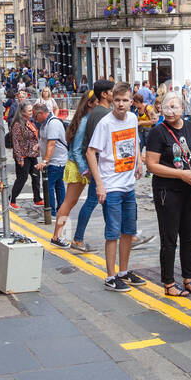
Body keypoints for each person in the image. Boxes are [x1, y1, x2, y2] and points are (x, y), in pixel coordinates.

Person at [87, 83, 147, 292]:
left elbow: (135, 140)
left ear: (132, 102)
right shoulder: (105, 123)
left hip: (128, 184)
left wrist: (138, 160)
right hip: (111, 186)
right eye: (117, 100)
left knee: (128, 231)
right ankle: (110, 276)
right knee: (112, 232)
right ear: (112, 101)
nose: (121, 104)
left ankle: (124, 271)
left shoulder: (132, 118)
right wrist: (100, 184)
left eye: (125, 100)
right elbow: (90, 152)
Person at [145, 92, 191, 297]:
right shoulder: (157, 132)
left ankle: (188, 279)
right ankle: (169, 282)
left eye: (175, 107)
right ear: (160, 108)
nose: (170, 111)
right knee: (169, 237)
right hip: (167, 191)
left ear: (183, 109)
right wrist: (180, 174)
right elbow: (152, 165)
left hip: (190, 189)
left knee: (189, 236)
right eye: (166, 107)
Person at [68, 80, 116, 253]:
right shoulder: (102, 114)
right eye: (112, 91)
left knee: (106, 202)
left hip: (98, 163)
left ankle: (119, 233)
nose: (115, 94)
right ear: (104, 94)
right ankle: (78, 239)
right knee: (92, 201)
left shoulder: (97, 112)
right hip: (99, 164)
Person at [51, 90, 95, 247]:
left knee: (71, 202)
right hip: (77, 166)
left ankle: (59, 235)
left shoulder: (86, 119)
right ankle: (57, 236)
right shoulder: (84, 121)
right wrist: (85, 170)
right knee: (69, 202)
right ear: (90, 103)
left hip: (79, 165)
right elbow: (76, 149)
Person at [34, 101, 67, 217]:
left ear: (42, 113)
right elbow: (46, 140)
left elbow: (51, 143)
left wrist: (44, 161)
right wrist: (39, 146)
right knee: (58, 185)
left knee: (49, 186)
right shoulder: (44, 123)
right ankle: (61, 210)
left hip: (56, 160)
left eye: (35, 116)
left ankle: (51, 212)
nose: (35, 119)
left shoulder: (53, 123)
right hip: (55, 160)